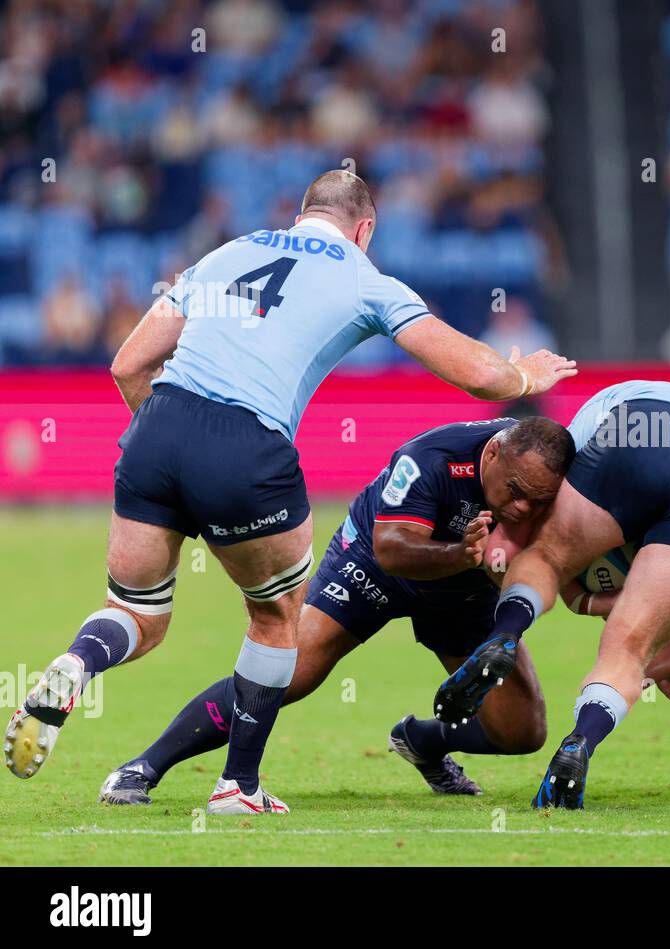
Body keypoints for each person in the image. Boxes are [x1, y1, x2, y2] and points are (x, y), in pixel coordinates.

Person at [4, 170, 576, 816]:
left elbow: (127, 364)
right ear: (364, 231)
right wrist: (523, 372)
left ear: (302, 213)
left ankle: (77, 665)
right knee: (276, 621)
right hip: (248, 446)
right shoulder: (363, 278)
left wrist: (168, 458)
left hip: (158, 427)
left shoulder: (230, 252)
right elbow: (478, 374)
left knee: (136, 613)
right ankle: (236, 788)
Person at [99, 417, 575, 805]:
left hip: (462, 594)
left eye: (537, 500)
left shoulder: (550, 487)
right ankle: (142, 768)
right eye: (514, 491)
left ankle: (423, 740)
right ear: (491, 453)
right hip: (375, 563)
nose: (522, 507)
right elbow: (391, 548)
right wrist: (461, 555)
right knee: (288, 673)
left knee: (523, 731)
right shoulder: (432, 458)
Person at [432, 381, 670, 809]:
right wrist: (654, 654)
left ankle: (505, 633)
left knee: (546, 557)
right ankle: (583, 738)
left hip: (634, 421)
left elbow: (515, 548)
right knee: (626, 651)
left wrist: (571, 588)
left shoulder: (580, 452)